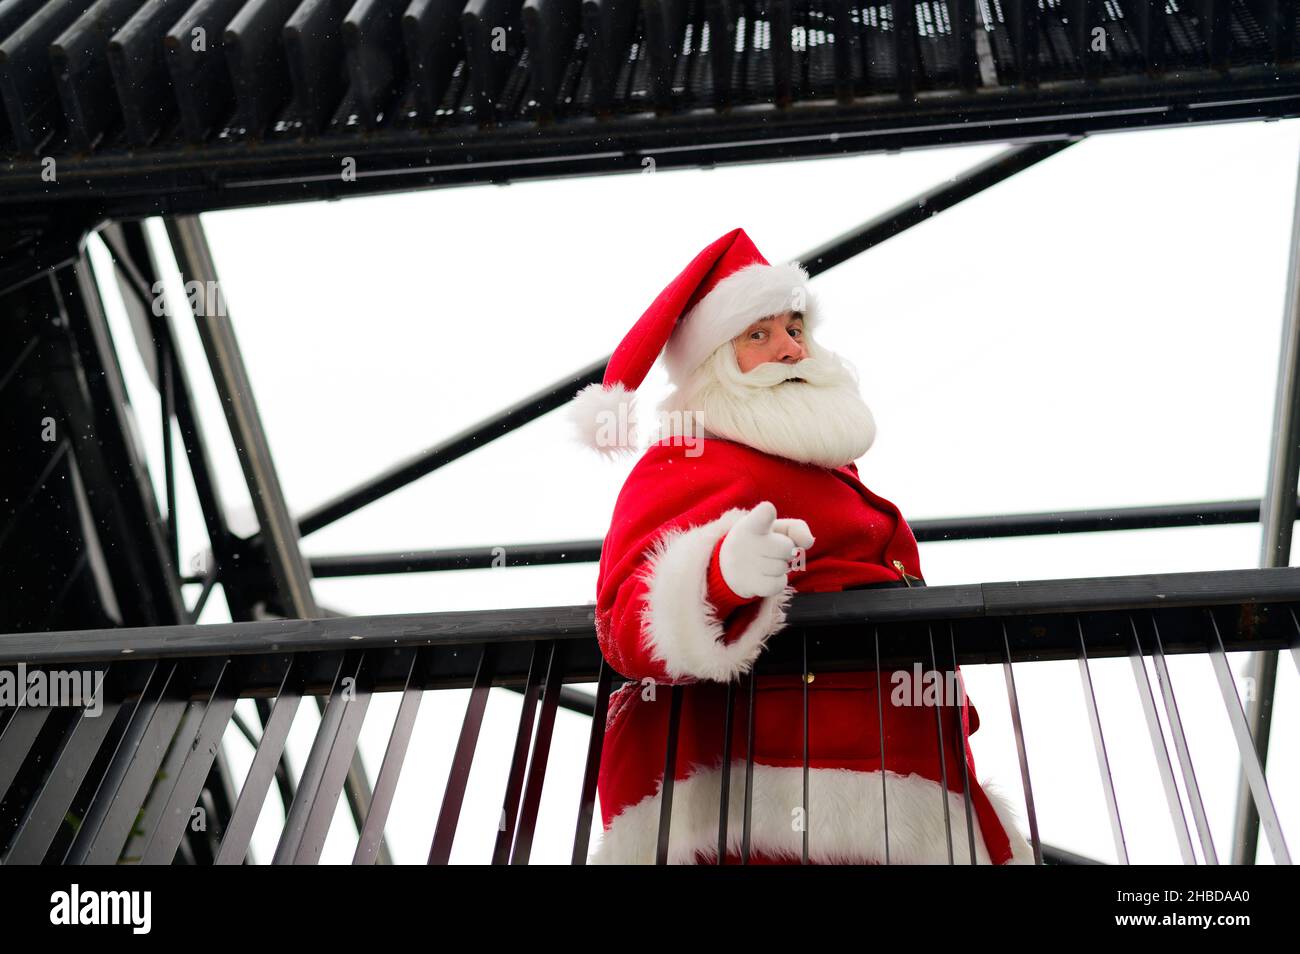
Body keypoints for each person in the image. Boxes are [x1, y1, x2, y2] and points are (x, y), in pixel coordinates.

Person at [569, 227, 1033, 865]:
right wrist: (721, 573)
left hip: (887, 776)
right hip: (768, 794)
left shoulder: (819, 465)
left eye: (794, 328)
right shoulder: (690, 451)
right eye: (758, 335)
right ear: (714, 364)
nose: (790, 348)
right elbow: (625, 622)